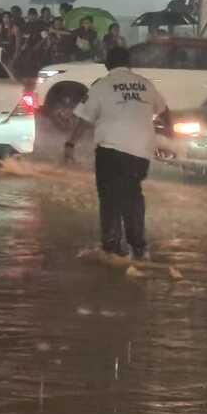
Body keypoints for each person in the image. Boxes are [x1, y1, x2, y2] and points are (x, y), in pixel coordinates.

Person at [65, 46, 169, 260]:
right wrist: (172, 138)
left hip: (110, 151)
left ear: (106, 64)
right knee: (132, 194)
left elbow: (84, 119)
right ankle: (138, 247)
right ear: (129, 62)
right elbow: (165, 112)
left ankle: (112, 248)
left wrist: (70, 144)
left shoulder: (101, 86)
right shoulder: (145, 84)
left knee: (110, 197)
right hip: (141, 152)